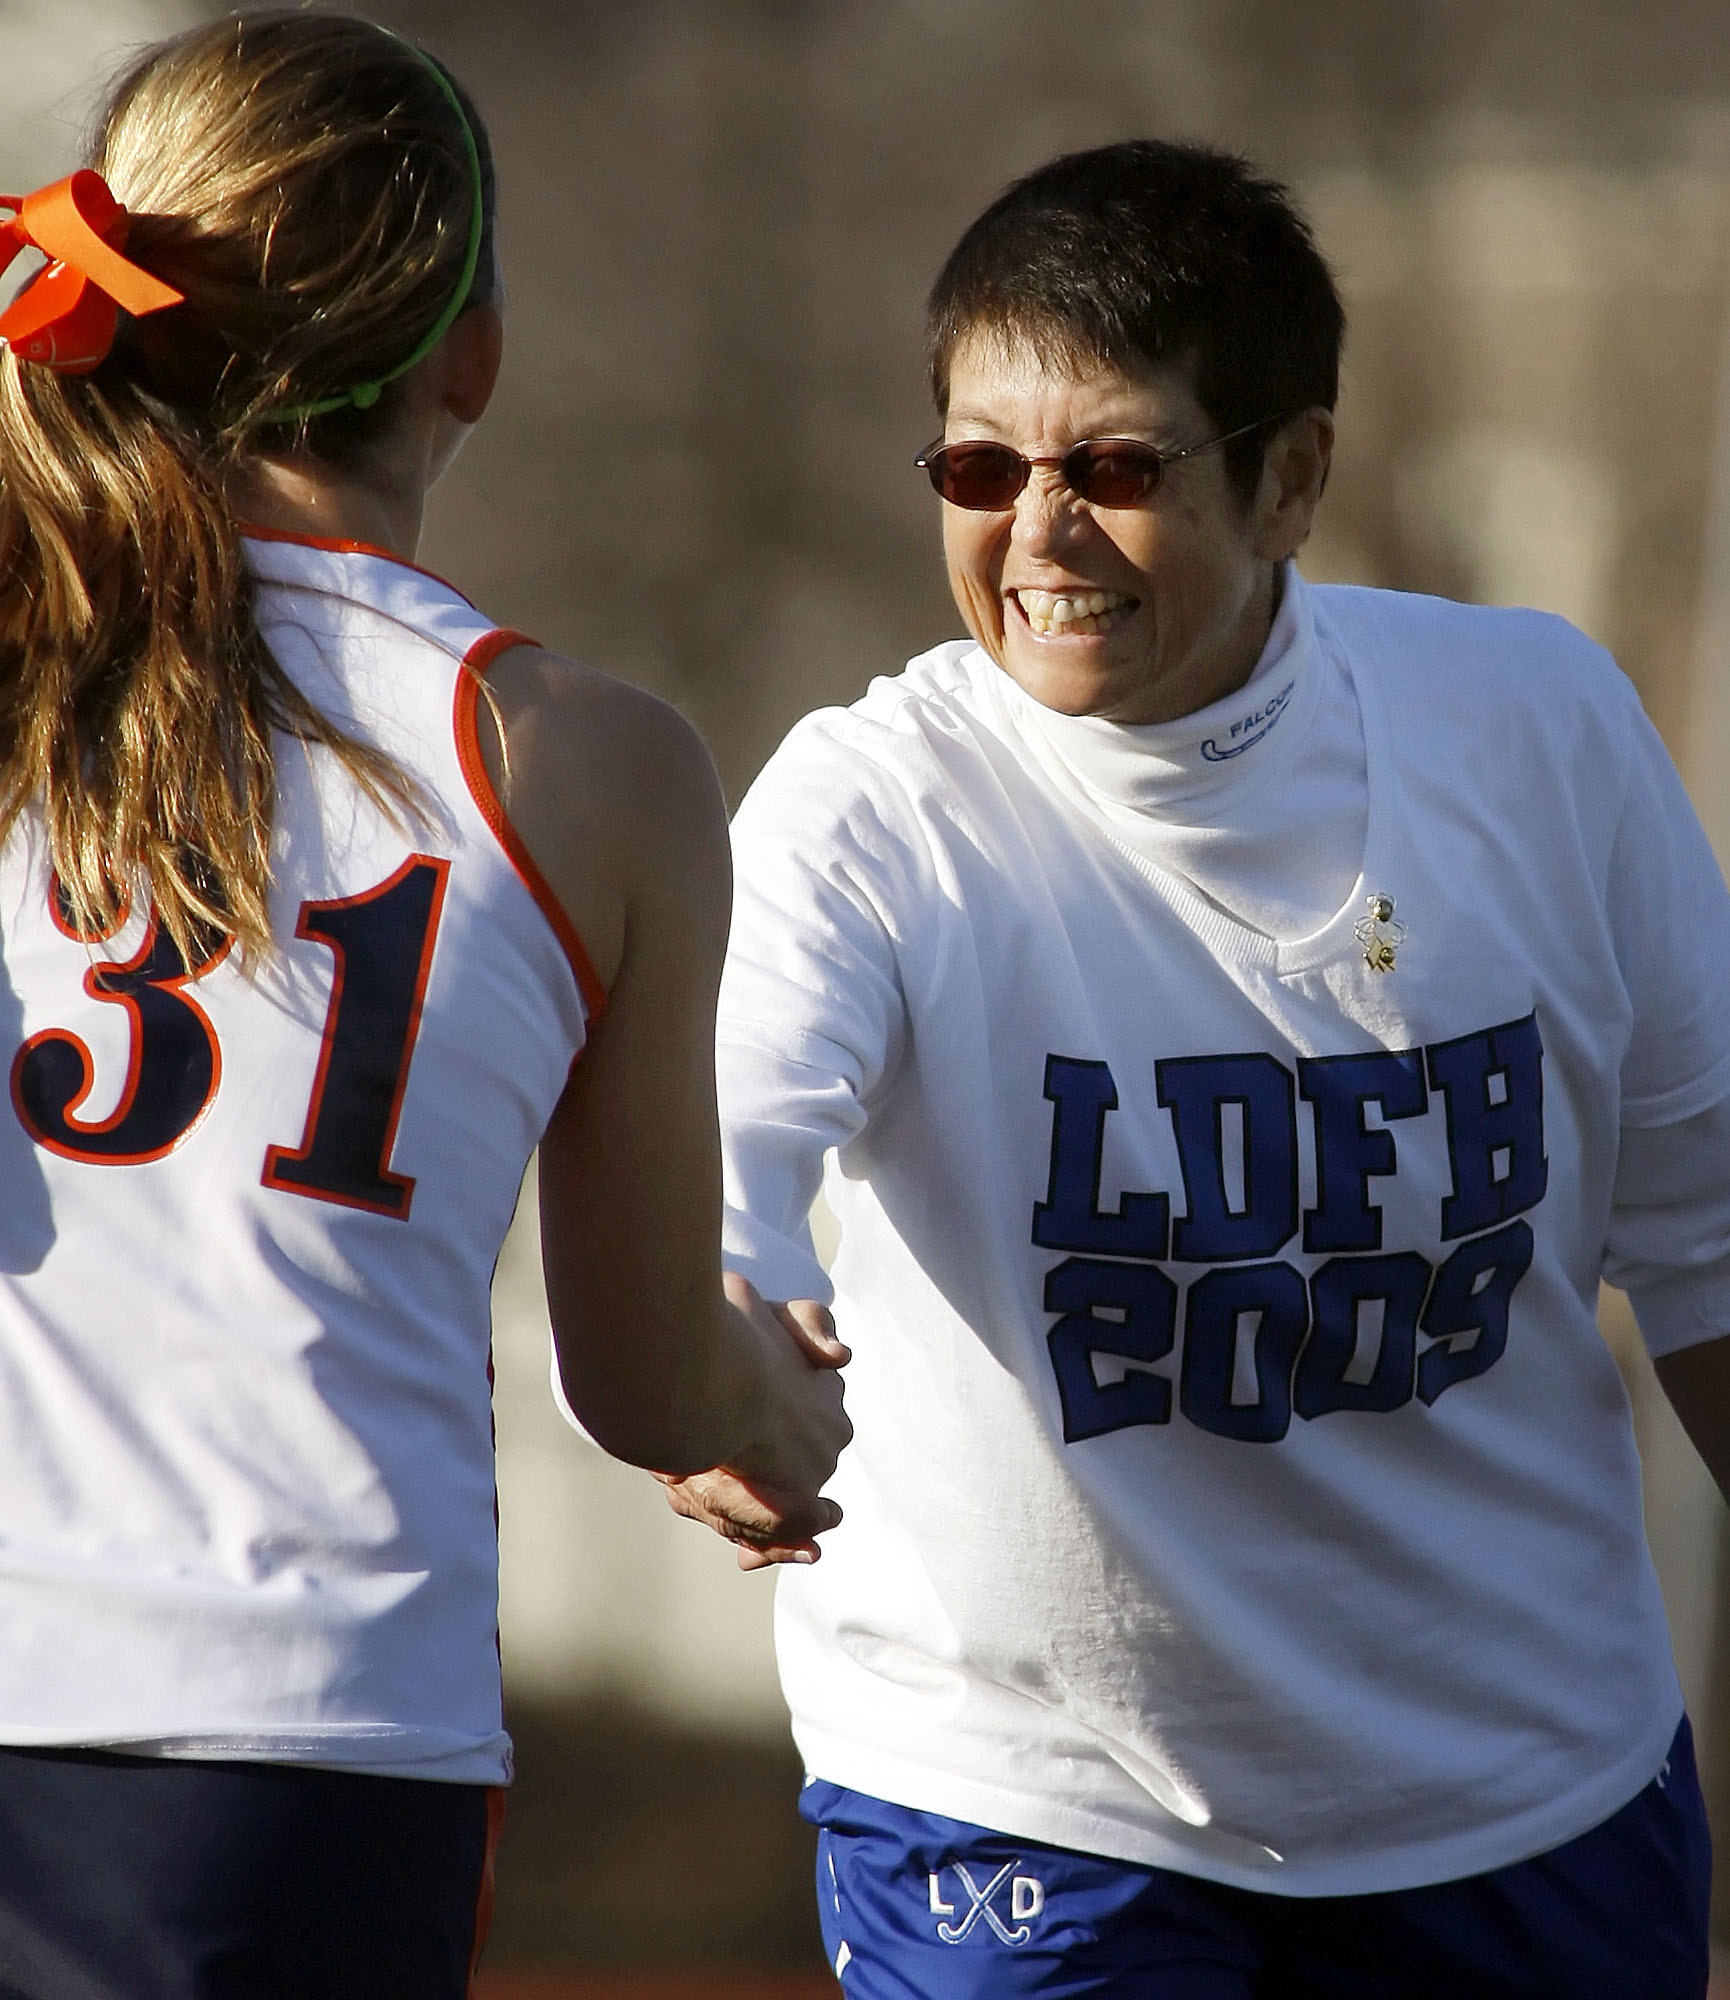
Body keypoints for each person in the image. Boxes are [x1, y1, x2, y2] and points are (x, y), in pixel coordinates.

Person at [678, 139, 1730, 1996]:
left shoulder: (1538, 725)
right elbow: (729, 1156)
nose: (1039, 533)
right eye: (981, 470)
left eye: (1118, 468)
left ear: (1293, 474)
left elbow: (1708, 1240)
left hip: (1527, 1801)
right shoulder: (870, 809)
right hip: (1026, 1815)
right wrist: (720, 1334)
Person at [0, 12, 847, 1996]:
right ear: (472, 352)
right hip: (297, 1745)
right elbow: (643, 1381)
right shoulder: (585, 761)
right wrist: (770, 1400)